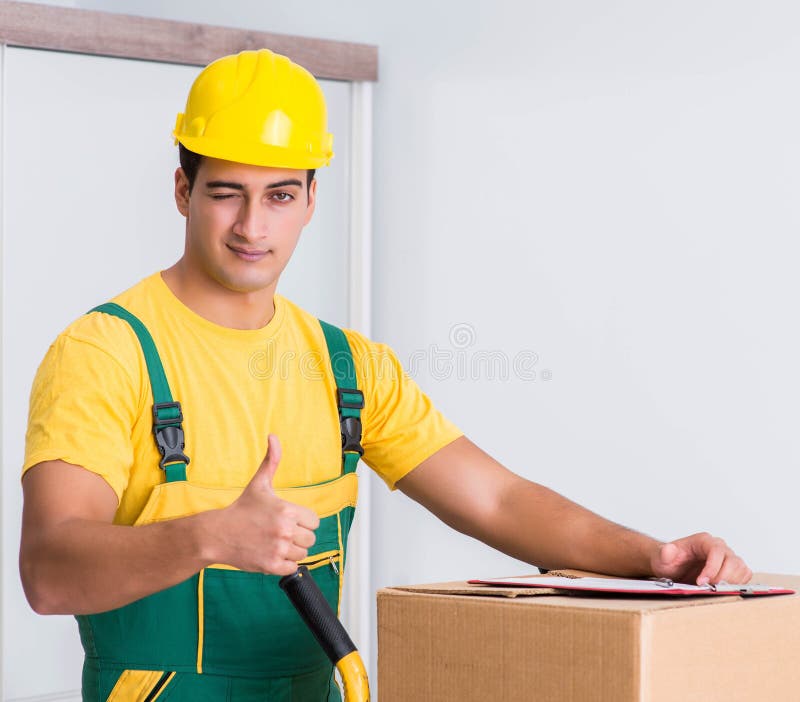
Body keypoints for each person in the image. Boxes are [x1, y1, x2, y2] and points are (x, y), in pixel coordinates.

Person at [19, 49, 751, 702]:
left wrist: (652, 557)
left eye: (278, 195)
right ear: (182, 190)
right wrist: (207, 536)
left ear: (310, 201)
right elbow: (48, 572)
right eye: (224, 193)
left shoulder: (345, 367)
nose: (252, 227)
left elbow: (496, 500)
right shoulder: (106, 353)